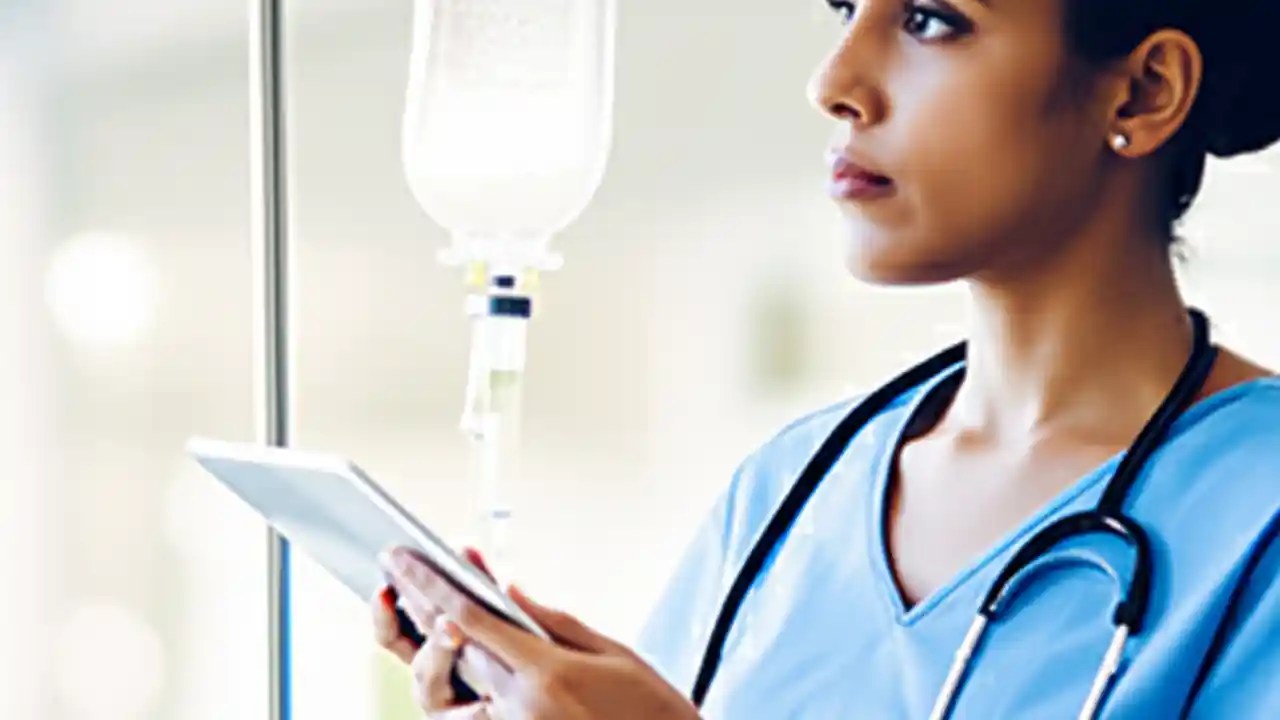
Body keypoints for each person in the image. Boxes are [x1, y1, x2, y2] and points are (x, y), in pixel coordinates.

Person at [371, 0, 1280, 716]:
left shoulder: (1257, 515)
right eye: (847, 9)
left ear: (1144, 92)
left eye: (930, 19)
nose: (835, 81)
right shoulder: (791, 489)